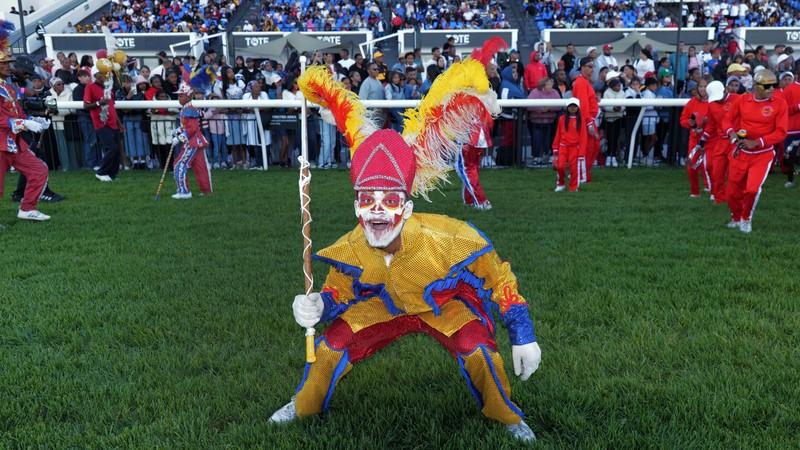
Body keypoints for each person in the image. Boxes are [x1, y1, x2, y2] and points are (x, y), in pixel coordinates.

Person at [271, 41, 542, 444]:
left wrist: (522, 333)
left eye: (390, 201)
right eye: (367, 201)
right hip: (385, 307)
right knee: (328, 348)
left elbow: (497, 276)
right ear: (356, 205)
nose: (377, 212)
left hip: (442, 306)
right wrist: (316, 306)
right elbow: (337, 291)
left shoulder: (449, 238)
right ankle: (306, 403)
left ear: (409, 206)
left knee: (480, 351)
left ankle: (505, 415)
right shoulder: (352, 246)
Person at [721, 70, 788, 233]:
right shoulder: (743, 100)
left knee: (752, 189)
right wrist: (731, 132)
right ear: (756, 86)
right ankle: (736, 218)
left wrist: (757, 142)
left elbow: (781, 132)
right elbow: (727, 119)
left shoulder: (779, 104)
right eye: (767, 85)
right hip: (741, 152)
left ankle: (746, 219)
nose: (771, 88)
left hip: (762, 155)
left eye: (774, 85)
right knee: (731, 191)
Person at [0, 31, 51, 221]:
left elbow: (16, 113)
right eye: (4, 63)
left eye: (8, 63)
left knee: (39, 170)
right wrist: (23, 123)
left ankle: (27, 208)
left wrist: (33, 120)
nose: (8, 66)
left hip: (14, 144)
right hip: (1, 145)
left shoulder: (7, 87)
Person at [699, 81, 738, 204]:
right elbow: (710, 125)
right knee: (716, 172)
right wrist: (701, 142)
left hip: (735, 142)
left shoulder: (739, 99)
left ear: (725, 90)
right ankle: (719, 199)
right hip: (721, 141)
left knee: (735, 174)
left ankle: (735, 198)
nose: (717, 100)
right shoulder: (712, 104)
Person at [170, 83, 212, 199]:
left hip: (192, 142)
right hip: (196, 141)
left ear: (189, 97)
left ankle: (184, 192)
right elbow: (187, 126)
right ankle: (206, 190)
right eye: (179, 96)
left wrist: (179, 138)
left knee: (179, 165)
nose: (179, 98)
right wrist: (177, 131)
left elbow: (192, 129)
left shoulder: (188, 109)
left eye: (181, 96)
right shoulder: (187, 108)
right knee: (200, 166)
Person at [84, 66, 123, 182]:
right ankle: (102, 172)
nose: (106, 75)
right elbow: (85, 106)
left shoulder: (108, 88)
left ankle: (112, 174)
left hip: (112, 123)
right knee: (111, 148)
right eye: (102, 73)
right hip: (101, 123)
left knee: (116, 150)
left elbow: (112, 107)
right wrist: (98, 103)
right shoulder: (90, 87)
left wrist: (119, 124)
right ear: (96, 75)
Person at [456, 106, 494, 210]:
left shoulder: (463, 95)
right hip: (479, 137)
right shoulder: (480, 94)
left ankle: (482, 201)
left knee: (466, 170)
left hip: (469, 139)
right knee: (472, 169)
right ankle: (469, 200)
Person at [680, 78, 711, 198]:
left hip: (711, 139)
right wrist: (691, 122)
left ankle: (712, 189)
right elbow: (682, 120)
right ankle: (695, 192)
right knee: (691, 166)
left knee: (710, 166)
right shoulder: (693, 102)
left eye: (705, 86)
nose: (703, 89)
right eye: (701, 86)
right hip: (695, 139)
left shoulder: (715, 101)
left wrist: (707, 121)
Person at [571, 57, 599, 182]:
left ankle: (582, 174)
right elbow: (583, 105)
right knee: (588, 149)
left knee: (592, 148)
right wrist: (588, 123)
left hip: (587, 119)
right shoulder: (581, 82)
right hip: (586, 119)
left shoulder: (584, 82)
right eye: (589, 66)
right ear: (581, 68)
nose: (592, 69)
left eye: (593, 66)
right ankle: (582, 175)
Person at [552, 98, 582, 192]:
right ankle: (561, 183)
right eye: (570, 106)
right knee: (560, 166)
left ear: (578, 107)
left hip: (575, 147)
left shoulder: (581, 120)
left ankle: (573, 187)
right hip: (563, 146)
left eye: (574, 106)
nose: (572, 108)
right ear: (567, 107)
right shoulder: (562, 119)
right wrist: (555, 147)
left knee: (574, 169)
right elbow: (558, 134)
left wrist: (581, 150)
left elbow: (583, 136)